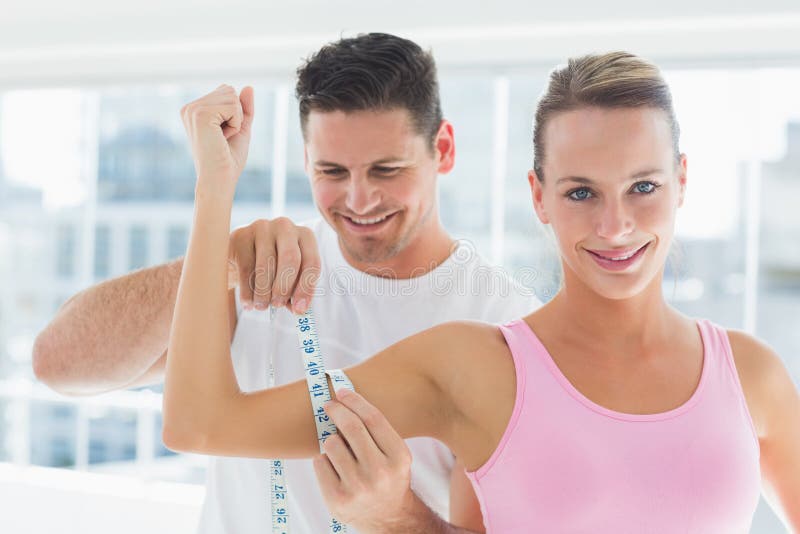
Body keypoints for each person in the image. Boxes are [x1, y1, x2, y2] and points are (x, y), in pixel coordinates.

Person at [163, 50, 800, 533]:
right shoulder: (473, 366)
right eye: (581, 192)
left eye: (644, 187)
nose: (615, 226)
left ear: (682, 182)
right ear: (539, 197)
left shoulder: (752, 375)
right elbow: (201, 422)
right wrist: (214, 191)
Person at [32, 33, 537, 533]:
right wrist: (220, 259)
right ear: (306, 161)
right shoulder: (261, 271)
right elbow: (59, 364)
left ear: (443, 149)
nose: (359, 199)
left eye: (387, 169)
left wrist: (397, 517)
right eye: (332, 170)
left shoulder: (509, 327)